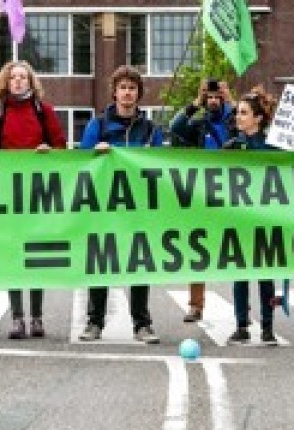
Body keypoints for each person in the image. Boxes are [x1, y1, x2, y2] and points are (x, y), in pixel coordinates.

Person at [77, 65, 164, 344]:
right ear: (114, 92)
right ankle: (94, 322)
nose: (127, 93)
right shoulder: (98, 125)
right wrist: (96, 152)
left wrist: (153, 157)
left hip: (138, 206)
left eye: (132, 88)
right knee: (102, 262)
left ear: (139, 94)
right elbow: (82, 160)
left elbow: (163, 166)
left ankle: (142, 323)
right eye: (123, 88)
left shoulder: (150, 130)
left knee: (139, 262)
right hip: (104, 205)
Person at [0, 60, 68, 339]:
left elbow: (60, 145)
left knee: (35, 255)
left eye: (23, 77)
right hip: (8, 196)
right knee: (13, 256)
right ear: (5, 83)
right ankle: (17, 318)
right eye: (13, 78)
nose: (18, 81)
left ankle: (37, 317)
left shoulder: (43, 112)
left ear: (31, 83)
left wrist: (49, 150)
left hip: (37, 195)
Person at [169, 77, 236, 323]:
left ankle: (243, 311)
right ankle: (196, 305)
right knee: (199, 251)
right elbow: (176, 127)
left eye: (218, 97)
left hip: (232, 194)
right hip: (202, 195)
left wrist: (231, 101)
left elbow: (250, 126)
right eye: (210, 97)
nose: (214, 101)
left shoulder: (233, 121)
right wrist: (195, 102)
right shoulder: (199, 125)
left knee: (241, 249)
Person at [223, 86, 281, 346]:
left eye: (243, 113)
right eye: (237, 112)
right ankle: (241, 325)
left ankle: (267, 327)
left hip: (265, 219)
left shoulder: (273, 147)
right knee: (240, 274)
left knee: (265, 274)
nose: (238, 117)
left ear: (257, 118)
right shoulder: (231, 147)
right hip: (238, 218)